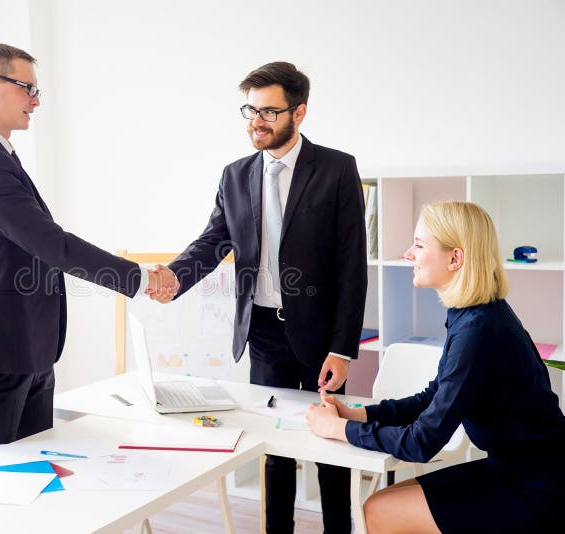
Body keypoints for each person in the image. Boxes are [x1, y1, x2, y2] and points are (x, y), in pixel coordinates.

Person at [0, 43, 178, 463]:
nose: (36, 100)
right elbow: (50, 242)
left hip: (24, 347)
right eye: (27, 87)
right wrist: (135, 277)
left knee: (32, 479)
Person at [152, 62, 366, 533]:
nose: (257, 120)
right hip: (264, 331)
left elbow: (353, 265)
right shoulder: (235, 174)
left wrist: (343, 347)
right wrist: (174, 277)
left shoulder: (336, 169)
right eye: (250, 108)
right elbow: (213, 242)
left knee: (329, 446)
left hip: (321, 334)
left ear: (300, 112)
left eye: (269, 110)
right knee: (275, 448)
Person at [306, 201, 565, 533]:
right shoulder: (474, 315)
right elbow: (433, 397)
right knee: (376, 507)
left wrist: (336, 430)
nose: (408, 254)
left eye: (419, 244)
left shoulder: (478, 330)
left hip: (538, 489)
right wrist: (359, 415)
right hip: (515, 470)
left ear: (455, 258)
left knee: (380, 511)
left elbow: (422, 442)